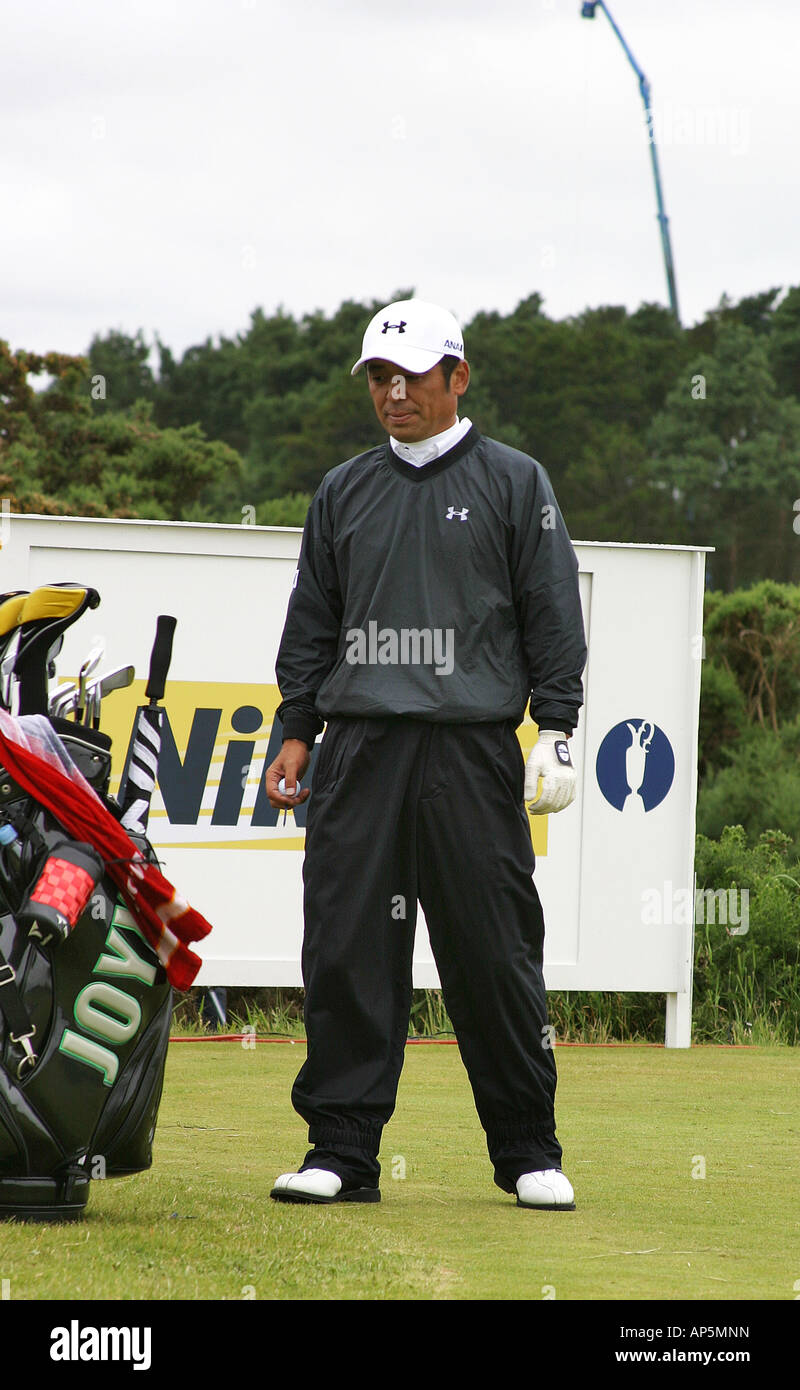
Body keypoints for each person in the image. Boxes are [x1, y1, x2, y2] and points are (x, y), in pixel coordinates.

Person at [266, 298, 587, 1209]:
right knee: (346, 951)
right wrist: (298, 727)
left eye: (410, 375)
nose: (393, 392)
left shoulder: (516, 483)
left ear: (459, 376)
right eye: (378, 377)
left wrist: (557, 726)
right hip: (359, 751)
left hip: (471, 751)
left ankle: (528, 1150)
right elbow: (314, 621)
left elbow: (551, 612)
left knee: (492, 953)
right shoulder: (343, 490)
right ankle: (341, 1152)